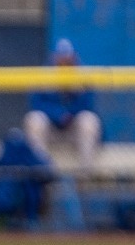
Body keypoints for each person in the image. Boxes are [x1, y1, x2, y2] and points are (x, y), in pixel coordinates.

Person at [24, 38, 100, 170]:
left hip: (73, 131)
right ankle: (40, 172)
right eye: (61, 59)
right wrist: (59, 114)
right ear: (54, 58)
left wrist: (71, 108)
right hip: (51, 130)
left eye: (68, 59)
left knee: (89, 120)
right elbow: (36, 104)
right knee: (34, 119)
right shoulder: (44, 75)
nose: (64, 62)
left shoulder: (83, 76)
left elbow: (88, 105)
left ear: (74, 58)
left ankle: (85, 173)